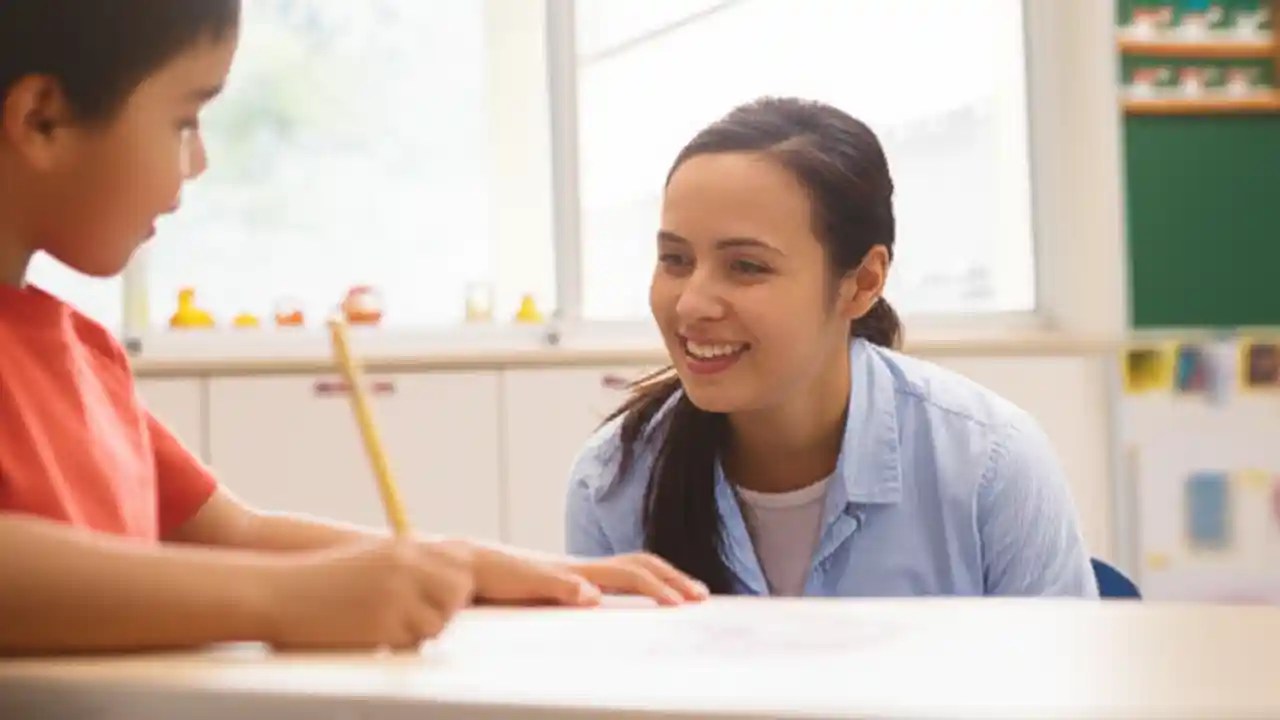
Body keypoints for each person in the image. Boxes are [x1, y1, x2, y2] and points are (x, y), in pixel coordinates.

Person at [0, 0, 705, 655]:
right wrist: (282, 602)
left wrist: (472, 565)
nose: (201, 159)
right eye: (185, 119)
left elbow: (235, 533)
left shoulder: (86, 355)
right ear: (42, 120)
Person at [565, 97, 1098, 598]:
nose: (691, 305)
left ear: (863, 282)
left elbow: (1062, 692)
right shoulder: (613, 482)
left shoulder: (990, 464)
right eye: (676, 260)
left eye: (746, 266)